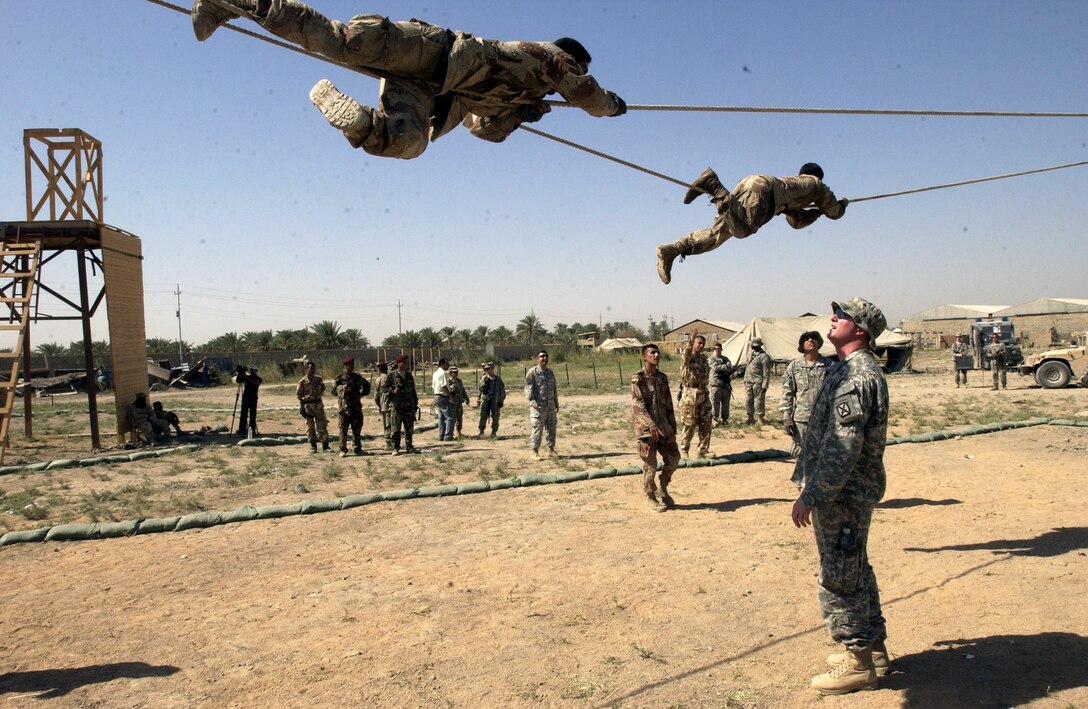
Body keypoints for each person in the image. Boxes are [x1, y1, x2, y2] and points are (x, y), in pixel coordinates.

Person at [191, 0, 626, 160]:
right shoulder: (549, 57)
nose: (576, 75)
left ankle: (357, 120)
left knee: (409, 143)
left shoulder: (519, 95)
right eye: (579, 68)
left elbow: (482, 131)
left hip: (426, 89)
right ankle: (237, 1)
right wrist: (616, 105)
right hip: (433, 49)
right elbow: (592, 99)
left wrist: (519, 117)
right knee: (338, 41)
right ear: (572, 59)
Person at [791, 298, 890, 695]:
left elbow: (842, 447)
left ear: (861, 330)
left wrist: (811, 494)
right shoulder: (846, 368)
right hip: (845, 492)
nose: (835, 318)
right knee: (855, 567)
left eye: (844, 315)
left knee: (840, 575)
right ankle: (873, 648)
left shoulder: (857, 375)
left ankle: (858, 662)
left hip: (842, 494)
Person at [656, 163, 847, 284]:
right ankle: (714, 186)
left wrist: (815, 212)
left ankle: (672, 250)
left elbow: (795, 222)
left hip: (755, 184)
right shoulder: (817, 184)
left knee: (718, 235)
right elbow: (834, 213)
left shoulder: (796, 189)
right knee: (743, 230)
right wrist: (842, 204)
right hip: (765, 192)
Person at [632, 344, 681, 513]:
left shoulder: (662, 378)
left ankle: (663, 486)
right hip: (647, 429)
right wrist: (650, 424)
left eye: (657, 352)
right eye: (652, 353)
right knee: (650, 464)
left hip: (663, 426)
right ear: (645, 357)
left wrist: (672, 425)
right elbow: (638, 405)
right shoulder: (638, 379)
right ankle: (650, 496)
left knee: (674, 457)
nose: (656, 355)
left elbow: (668, 404)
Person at [780, 331, 833, 484]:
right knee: (801, 451)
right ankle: (802, 483)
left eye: (814, 338)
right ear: (802, 345)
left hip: (824, 418)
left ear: (819, 343)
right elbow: (787, 393)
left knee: (823, 451)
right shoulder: (794, 367)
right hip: (801, 418)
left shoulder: (830, 366)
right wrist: (786, 417)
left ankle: (818, 484)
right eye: (807, 339)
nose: (811, 340)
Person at [678, 328, 712, 458]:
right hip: (691, 394)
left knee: (706, 422)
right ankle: (684, 451)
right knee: (689, 424)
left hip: (703, 392)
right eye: (699, 343)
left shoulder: (703, 358)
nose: (701, 346)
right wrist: (691, 340)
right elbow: (686, 353)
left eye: (703, 344)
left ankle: (703, 451)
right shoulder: (688, 357)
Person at [524, 350, 559, 459]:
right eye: (542, 356)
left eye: (546, 356)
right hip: (538, 407)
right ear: (537, 359)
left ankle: (551, 450)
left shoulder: (550, 372)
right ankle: (534, 451)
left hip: (550, 406)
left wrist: (556, 402)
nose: (544, 358)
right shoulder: (532, 372)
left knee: (551, 428)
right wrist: (532, 402)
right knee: (537, 429)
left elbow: (554, 389)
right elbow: (528, 389)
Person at [382, 354, 419, 455]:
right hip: (397, 407)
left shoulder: (408, 375)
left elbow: (413, 391)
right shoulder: (392, 375)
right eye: (404, 362)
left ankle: (409, 447)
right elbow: (384, 389)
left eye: (406, 362)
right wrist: (392, 391)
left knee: (409, 428)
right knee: (396, 429)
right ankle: (395, 448)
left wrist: (415, 403)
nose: (406, 364)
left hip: (408, 406)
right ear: (398, 363)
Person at [333, 356, 370, 456]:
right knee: (343, 429)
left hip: (356, 407)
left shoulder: (357, 377)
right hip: (344, 408)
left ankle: (357, 449)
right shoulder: (340, 378)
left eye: (352, 365)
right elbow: (333, 391)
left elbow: (367, 386)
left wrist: (361, 394)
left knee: (357, 429)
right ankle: (343, 449)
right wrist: (342, 390)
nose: (351, 367)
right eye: (349, 365)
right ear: (345, 366)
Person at [296, 360, 331, 453]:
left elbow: (323, 388)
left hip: (318, 405)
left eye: (314, 369)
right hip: (308, 407)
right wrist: (302, 407)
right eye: (311, 369)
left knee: (322, 425)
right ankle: (313, 447)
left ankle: (325, 446)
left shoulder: (319, 380)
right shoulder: (302, 382)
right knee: (310, 427)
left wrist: (318, 397)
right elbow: (299, 395)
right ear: (306, 369)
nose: (313, 371)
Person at [744, 338, 772, 425]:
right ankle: (750, 417)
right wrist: (745, 379)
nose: (752, 346)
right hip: (748, 381)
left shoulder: (764, 356)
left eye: (753, 345)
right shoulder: (751, 354)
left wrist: (765, 385)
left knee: (759, 401)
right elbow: (747, 367)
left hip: (758, 383)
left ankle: (760, 418)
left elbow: (766, 372)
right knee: (748, 401)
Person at [476, 362, 506, 439]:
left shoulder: (497, 379)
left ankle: (494, 432)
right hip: (485, 400)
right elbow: (480, 389)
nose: (487, 370)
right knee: (483, 415)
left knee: (495, 416)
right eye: (486, 369)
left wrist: (501, 400)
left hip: (495, 401)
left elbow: (502, 390)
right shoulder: (484, 378)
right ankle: (481, 431)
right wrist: (484, 385)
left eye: (488, 369)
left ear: (492, 369)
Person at [708, 342, 733, 427]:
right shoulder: (711, 359)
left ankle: (725, 419)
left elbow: (730, 367)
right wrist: (725, 367)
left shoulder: (726, 359)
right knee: (715, 404)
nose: (717, 350)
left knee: (726, 404)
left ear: (721, 349)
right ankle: (715, 419)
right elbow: (715, 368)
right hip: (716, 385)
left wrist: (723, 367)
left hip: (725, 385)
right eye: (715, 349)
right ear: (713, 350)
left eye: (719, 348)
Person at [233, 365, 263, 436]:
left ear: (256, 371)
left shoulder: (258, 378)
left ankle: (252, 430)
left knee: (253, 415)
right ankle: (242, 431)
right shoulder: (247, 377)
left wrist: (246, 377)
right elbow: (238, 381)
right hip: (246, 398)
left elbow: (255, 383)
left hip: (253, 399)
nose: (253, 371)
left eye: (254, 370)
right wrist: (240, 373)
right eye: (252, 370)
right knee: (243, 415)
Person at [431, 358, 455, 441]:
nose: (448, 366)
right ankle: (448, 436)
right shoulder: (442, 373)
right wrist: (450, 396)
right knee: (450, 417)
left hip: (437, 396)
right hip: (442, 396)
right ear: (442, 364)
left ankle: (441, 436)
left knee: (441, 417)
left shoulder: (435, 373)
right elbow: (444, 386)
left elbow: (433, 387)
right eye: (447, 364)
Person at [373, 360, 393, 449]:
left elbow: (376, 395)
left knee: (386, 424)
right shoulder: (389, 377)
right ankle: (391, 443)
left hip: (383, 404)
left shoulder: (378, 380)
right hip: (391, 404)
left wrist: (379, 405)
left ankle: (388, 442)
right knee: (392, 424)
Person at [448, 366, 470, 440]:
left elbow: (463, 390)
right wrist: (452, 387)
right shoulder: (448, 381)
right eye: (454, 372)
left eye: (457, 372)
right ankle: (450, 433)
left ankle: (459, 432)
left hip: (459, 402)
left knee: (459, 418)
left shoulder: (459, 381)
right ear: (450, 373)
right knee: (452, 418)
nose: (456, 373)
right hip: (452, 403)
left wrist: (466, 398)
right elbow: (447, 391)